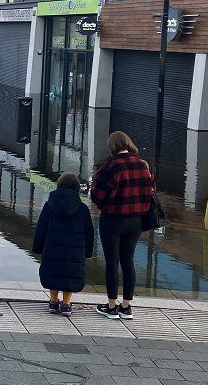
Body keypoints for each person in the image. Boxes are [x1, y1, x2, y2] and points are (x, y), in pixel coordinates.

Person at [90, 131, 154, 320]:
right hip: (136, 221)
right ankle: (126, 307)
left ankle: (111, 306)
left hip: (113, 220)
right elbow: (150, 192)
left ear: (112, 147)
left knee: (112, 262)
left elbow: (98, 196)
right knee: (128, 260)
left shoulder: (109, 167)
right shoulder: (143, 165)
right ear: (128, 143)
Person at [32, 173, 94, 317]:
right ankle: (66, 304)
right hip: (74, 252)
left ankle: (53, 302)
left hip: (52, 248)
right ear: (77, 188)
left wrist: (38, 247)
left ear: (59, 186)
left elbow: (41, 228)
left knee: (53, 273)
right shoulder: (82, 208)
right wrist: (88, 252)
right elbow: (89, 233)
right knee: (70, 275)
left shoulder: (49, 205)